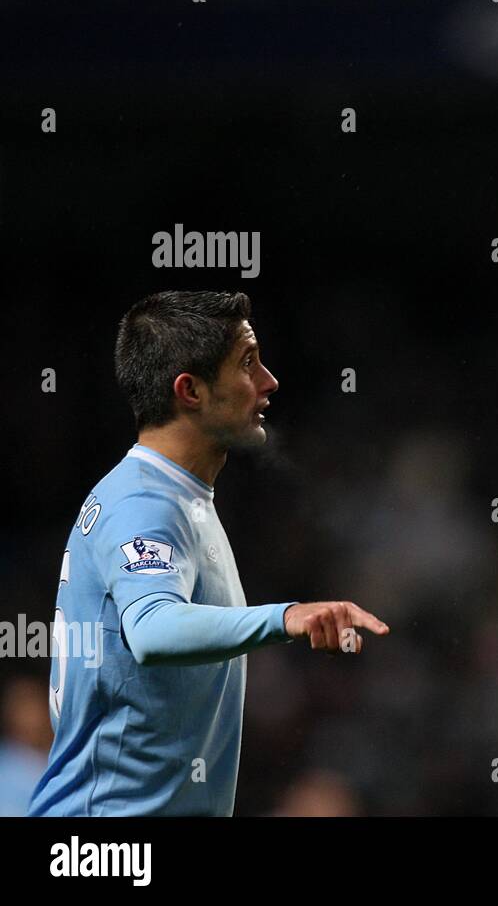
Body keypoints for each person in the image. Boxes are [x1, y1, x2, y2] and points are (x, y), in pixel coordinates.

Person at [28, 290, 389, 816]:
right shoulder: (143, 502)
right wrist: (286, 617)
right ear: (190, 390)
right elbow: (151, 629)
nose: (269, 382)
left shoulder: (180, 497)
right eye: (248, 363)